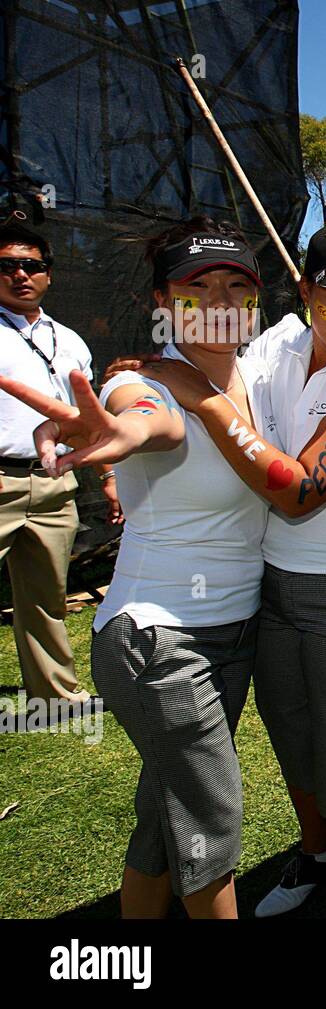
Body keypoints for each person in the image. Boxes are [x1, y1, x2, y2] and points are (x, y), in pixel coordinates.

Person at [140, 223, 326, 919]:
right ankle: (320, 846)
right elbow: (204, 365)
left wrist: (198, 398)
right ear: (304, 292)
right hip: (276, 580)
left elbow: (298, 490)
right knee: (291, 728)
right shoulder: (279, 342)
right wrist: (143, 380)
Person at [0, 219, 267, 918]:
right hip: (161, 642)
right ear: (162, 302)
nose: (217, 298)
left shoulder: (256, 375)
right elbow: (147, 416)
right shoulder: (150, 386)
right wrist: (121, 427)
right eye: (196, 285)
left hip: (233, 632)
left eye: (235, 283)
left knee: (164, 811)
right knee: (211, 823)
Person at [0, 218, 111, 710]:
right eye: (7, 266)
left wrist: (107, 479)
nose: (20, 275)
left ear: (48, 274)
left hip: (51, 483)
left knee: (45, 594)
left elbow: (87, 421)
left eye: (31, 266)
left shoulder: (68, 340)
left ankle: (56, 697)